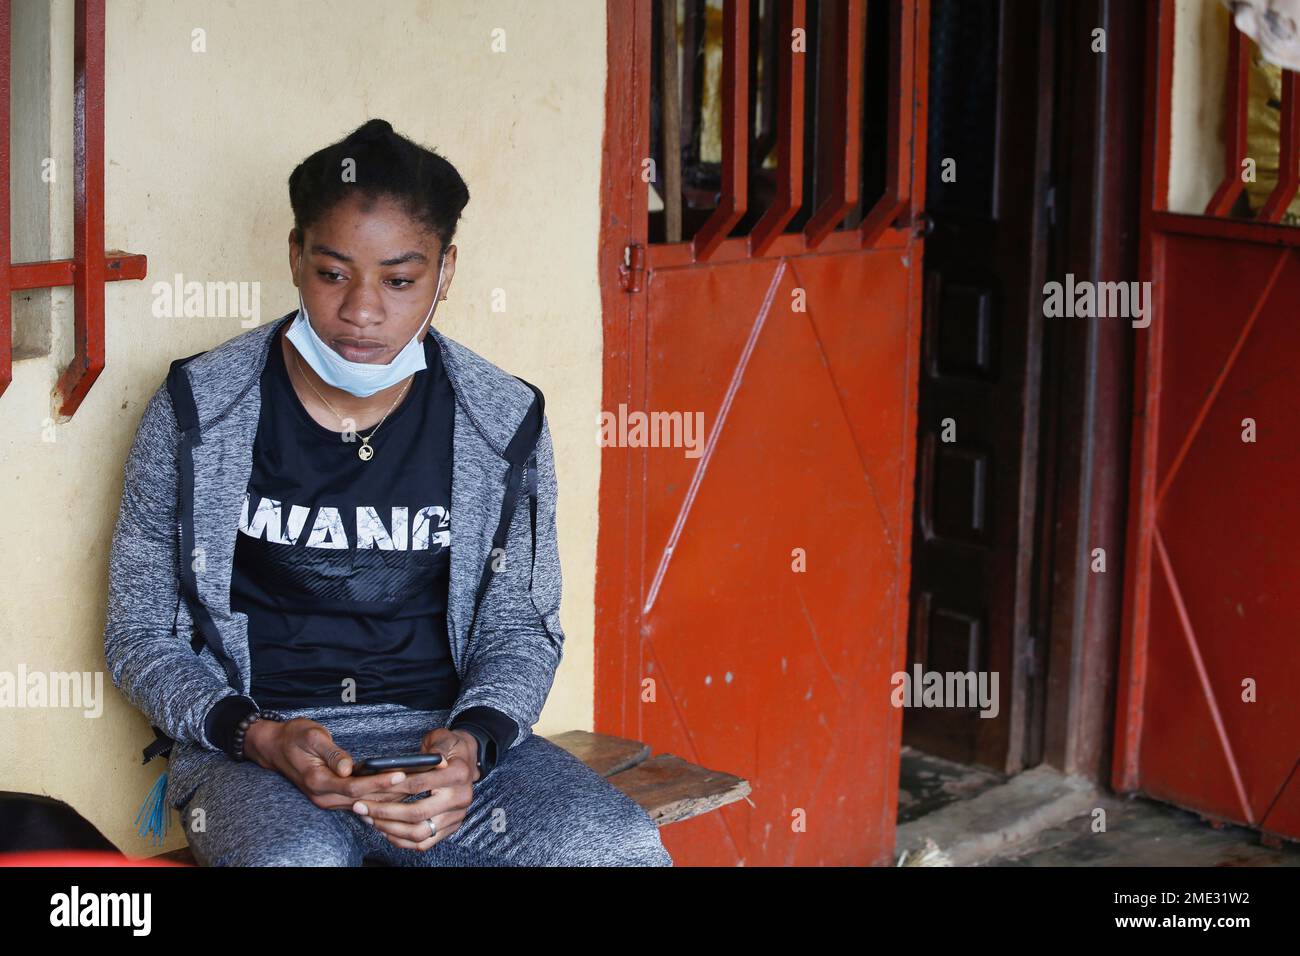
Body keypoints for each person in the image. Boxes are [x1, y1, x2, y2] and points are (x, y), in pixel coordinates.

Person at [103, 118, 672, 867]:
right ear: (296, 256)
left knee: (618, 848)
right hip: (257, 753)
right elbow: (138, 631)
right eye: (333, 273)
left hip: (448, 746)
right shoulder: (199, 410)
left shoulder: (501, 420)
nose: (362, 312)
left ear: (446, 271)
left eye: (400, 280)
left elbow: (521, 626)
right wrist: (257, 735)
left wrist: (470, 746)